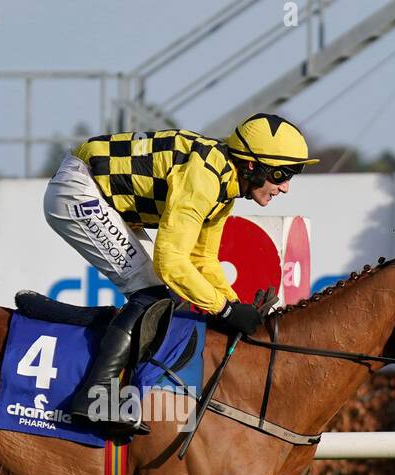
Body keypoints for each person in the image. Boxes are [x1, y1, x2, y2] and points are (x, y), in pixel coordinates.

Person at [43, 112, 319, 435]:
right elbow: (171, 263)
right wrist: (226, 310)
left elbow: (202, 260)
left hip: (103, 195)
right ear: (252, 166)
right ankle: (96, 394)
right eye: (281, 174)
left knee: (161, 292)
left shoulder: (223, 184)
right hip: (80, 190)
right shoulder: (204, 179)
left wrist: (235, 305)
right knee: (153, 290)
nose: (285, 187)